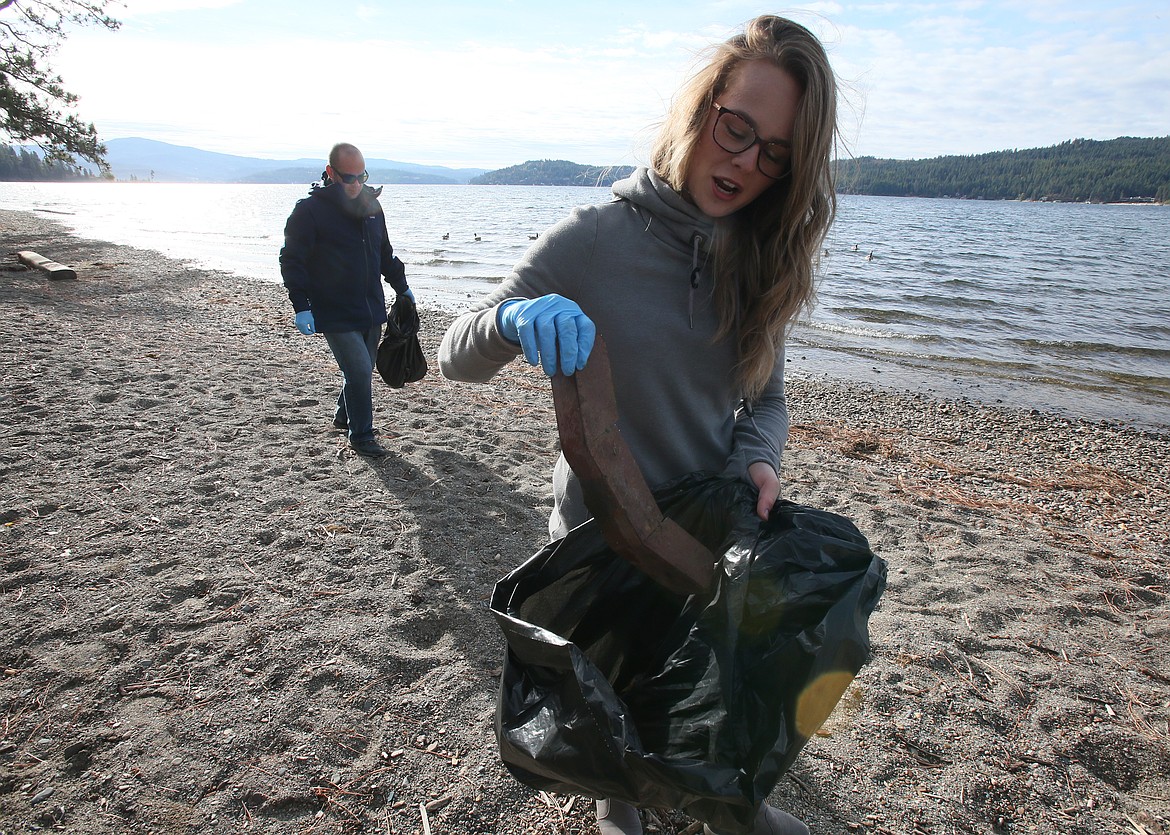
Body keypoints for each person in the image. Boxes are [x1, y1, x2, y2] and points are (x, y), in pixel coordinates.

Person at [439, 14, 837, 835]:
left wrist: (761, 460)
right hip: (600, 547)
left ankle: (739, 811)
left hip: (707, 541)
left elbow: (764, 398)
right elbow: (454, 356)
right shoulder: (591, 240)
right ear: (702, 106)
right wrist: (515, 318)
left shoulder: (755, 257)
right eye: (737, 129)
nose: (745, 163)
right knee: (615, 743)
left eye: (775, 155)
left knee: (704, 714)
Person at [280, 142, 413, 458]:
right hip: (334, 311)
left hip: (370, 308)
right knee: (358, 371)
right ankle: (361, 436)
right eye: (349, 177)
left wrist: (402, 287)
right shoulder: (309, 212)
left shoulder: (372, 208)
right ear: (331, 173)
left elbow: (384, 254)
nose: (356, 184)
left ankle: (344, 416)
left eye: (361, 177)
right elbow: (291, 259)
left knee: (362, 371)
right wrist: (301, 306)